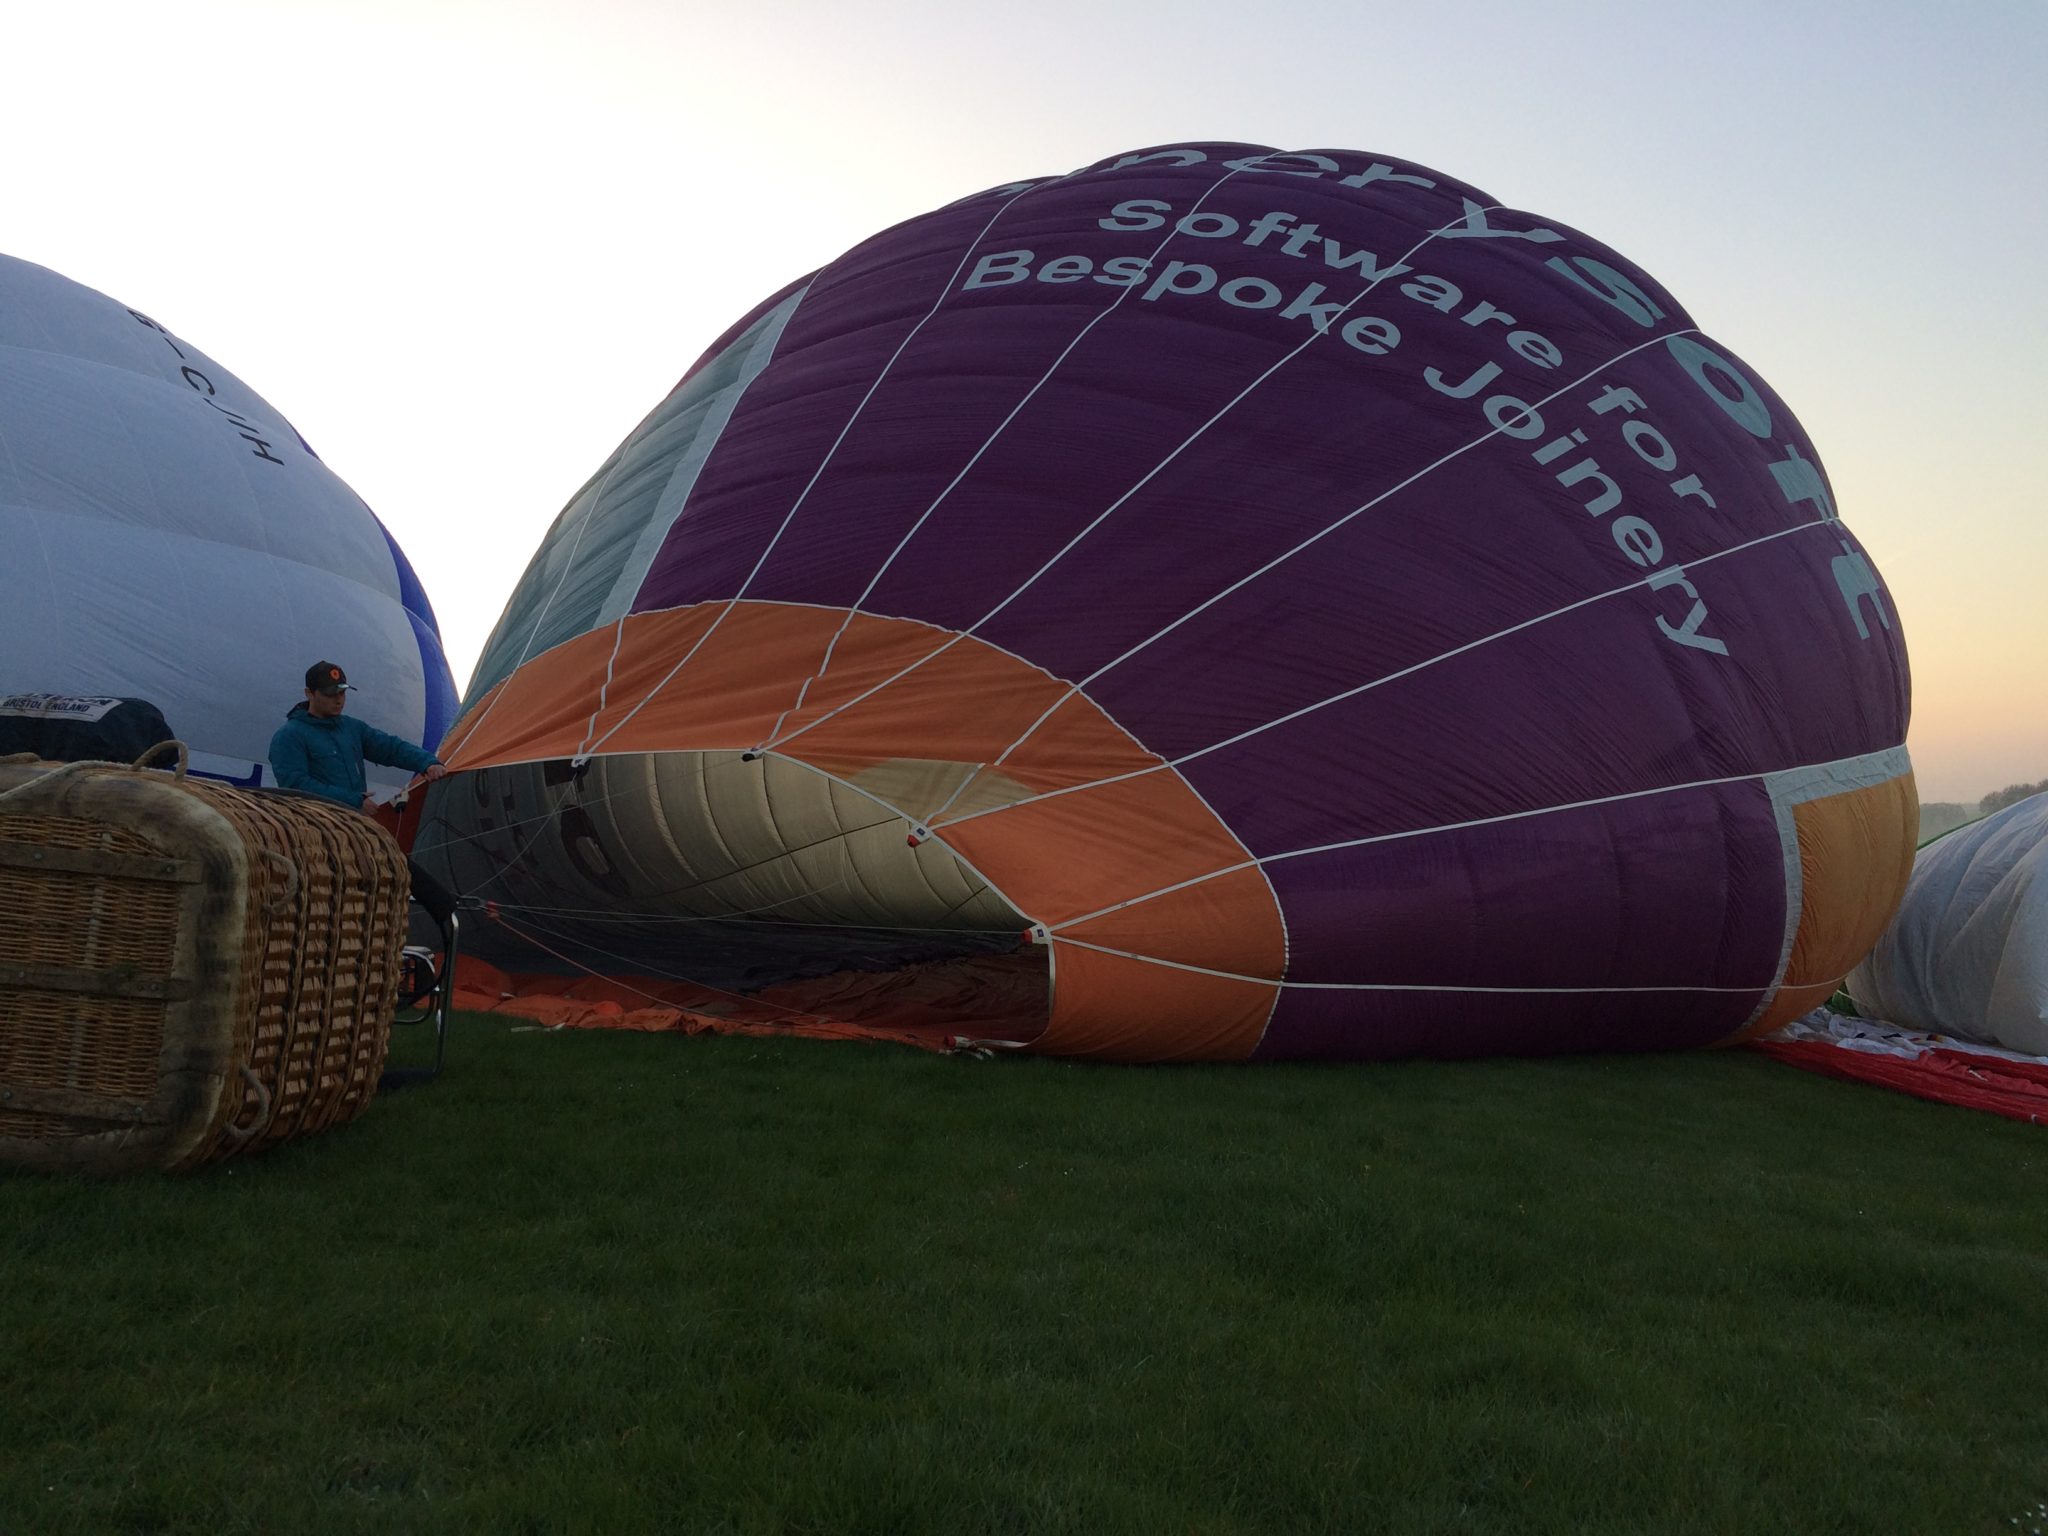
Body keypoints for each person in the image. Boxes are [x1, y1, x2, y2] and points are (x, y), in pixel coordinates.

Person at [269, 660, 447, 812]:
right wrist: (353, 800)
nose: (338, 700)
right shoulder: (289, 736)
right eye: (330, 694)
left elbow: (390, 748)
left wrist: (427, 762)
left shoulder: (352, 728)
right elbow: (296, 786)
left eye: (342, 693)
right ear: (309, 693)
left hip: (353, 827)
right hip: (314, 831)